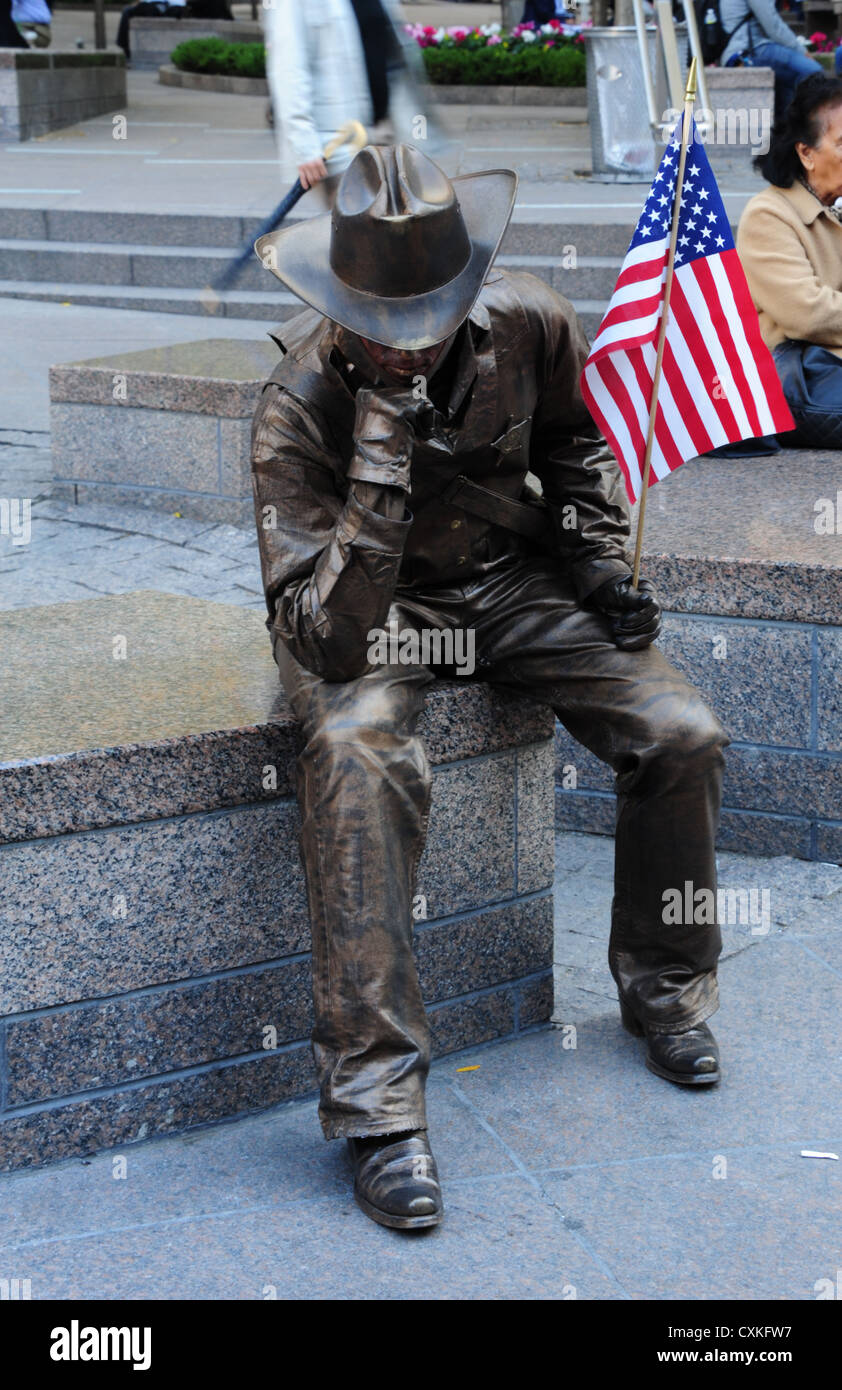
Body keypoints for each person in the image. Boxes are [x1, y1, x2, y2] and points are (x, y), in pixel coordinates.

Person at [250, 143, 730, 1232]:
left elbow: (575, 445)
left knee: (680, 730)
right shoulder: (294, 401)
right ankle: (376, 1105)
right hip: (365, 612)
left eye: (431, 310)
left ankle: (665, 984)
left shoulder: (529, 321)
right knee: (357, 757)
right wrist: (380, 443)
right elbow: (322, 634)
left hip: (504, 584)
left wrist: (600, 556)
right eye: (385, 320)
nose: (410, 339)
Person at [738, 73, 842, 441]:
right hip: (805, 376)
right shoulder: (768, 214)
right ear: (806, 153)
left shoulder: (836, 206)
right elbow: (807, 312)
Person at [263, 0, 436, 208]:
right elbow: (289, 69)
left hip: (382, 135)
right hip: (337, 146)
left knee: (389, 228)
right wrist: (304, 146)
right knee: (363, 233)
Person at [719, 0, 822, 117]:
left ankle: (787, 128)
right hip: (751, 49)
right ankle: (819, 128)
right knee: (814, 71)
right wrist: (803, 52)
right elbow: (774, 26)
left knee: (786, 92)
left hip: (742, 50)